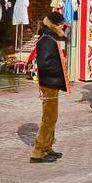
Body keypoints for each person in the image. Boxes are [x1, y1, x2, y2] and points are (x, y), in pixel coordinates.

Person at [30, 12, 68, 163]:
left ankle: (47, 146)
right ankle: (38, 152)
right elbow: (45, 64)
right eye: (60, 24)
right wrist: (59, 70)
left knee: (52, 116)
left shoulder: (50, 36)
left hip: (52, 81)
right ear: (53, 24)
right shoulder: (46, 39)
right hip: (49, 82)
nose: (62, 27)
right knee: (49, 118)